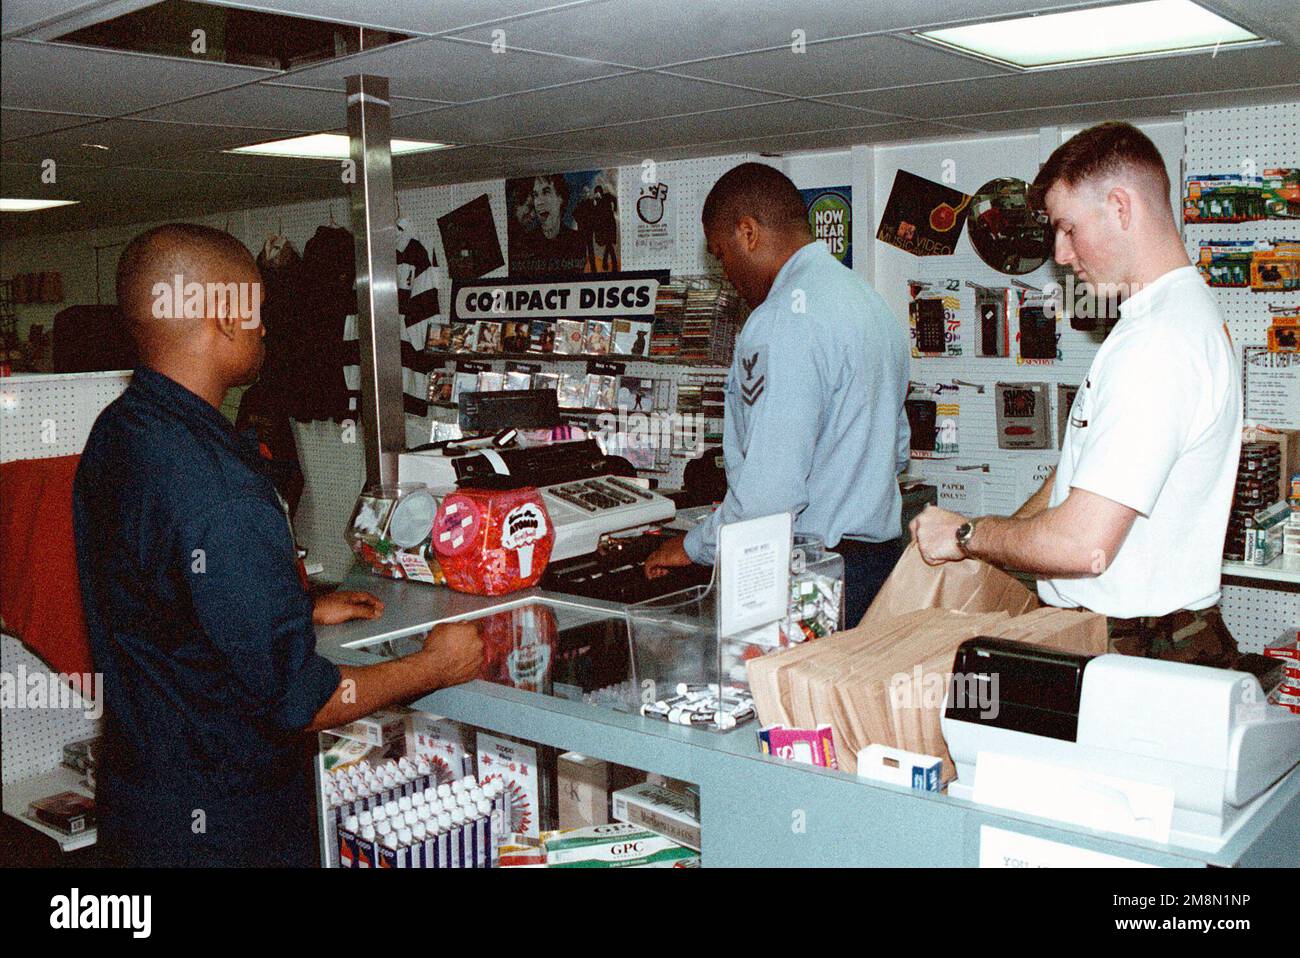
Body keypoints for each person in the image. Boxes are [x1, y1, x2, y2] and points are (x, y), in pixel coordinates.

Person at [73, 224, 483, 867]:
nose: (266, 329)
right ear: (222, 321)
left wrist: (288, 603)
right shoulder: (217, 483)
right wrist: (435, 666)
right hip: (229, 824)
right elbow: (305, 700)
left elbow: (161, 595)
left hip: (142, 802)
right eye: (258, 312)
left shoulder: (122, 430)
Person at [910, 122, 1242, 664]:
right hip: (1131, 637)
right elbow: (1077, 477)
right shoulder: (1162, 321)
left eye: (1068, 229)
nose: (1061, 255)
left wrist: (968, 534)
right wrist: (999, 538)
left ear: (1119, 207)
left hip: (1138, 649)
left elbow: (1081, 547)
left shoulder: (1159, 344)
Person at [644, 163, 911, 627]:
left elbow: (770, 495)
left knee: (781, 700)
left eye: (721, 255)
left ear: (748, 233)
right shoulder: (871, 305)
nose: (726, 274)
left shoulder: (780, 321)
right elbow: (898, 450)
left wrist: (693, 547)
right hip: (880, 568)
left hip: (814, 573)